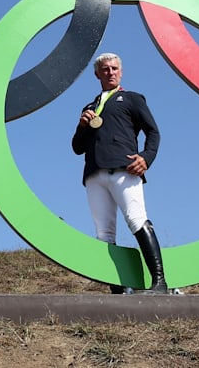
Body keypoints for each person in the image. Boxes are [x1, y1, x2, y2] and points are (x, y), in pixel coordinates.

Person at [70, 53, 168, 294]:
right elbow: (77, 147)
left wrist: (146, 157)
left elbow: (153, 132)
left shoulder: (132, 99)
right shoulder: (89, 108)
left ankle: (159, 282)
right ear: (97, 74)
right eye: (105, 69)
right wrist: (82, 126)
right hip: (94, 174)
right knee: (103, 232)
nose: (110, 72)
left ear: (121, 72)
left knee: (136, 219)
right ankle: (118, 290)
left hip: (124, 169)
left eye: (114, 68)